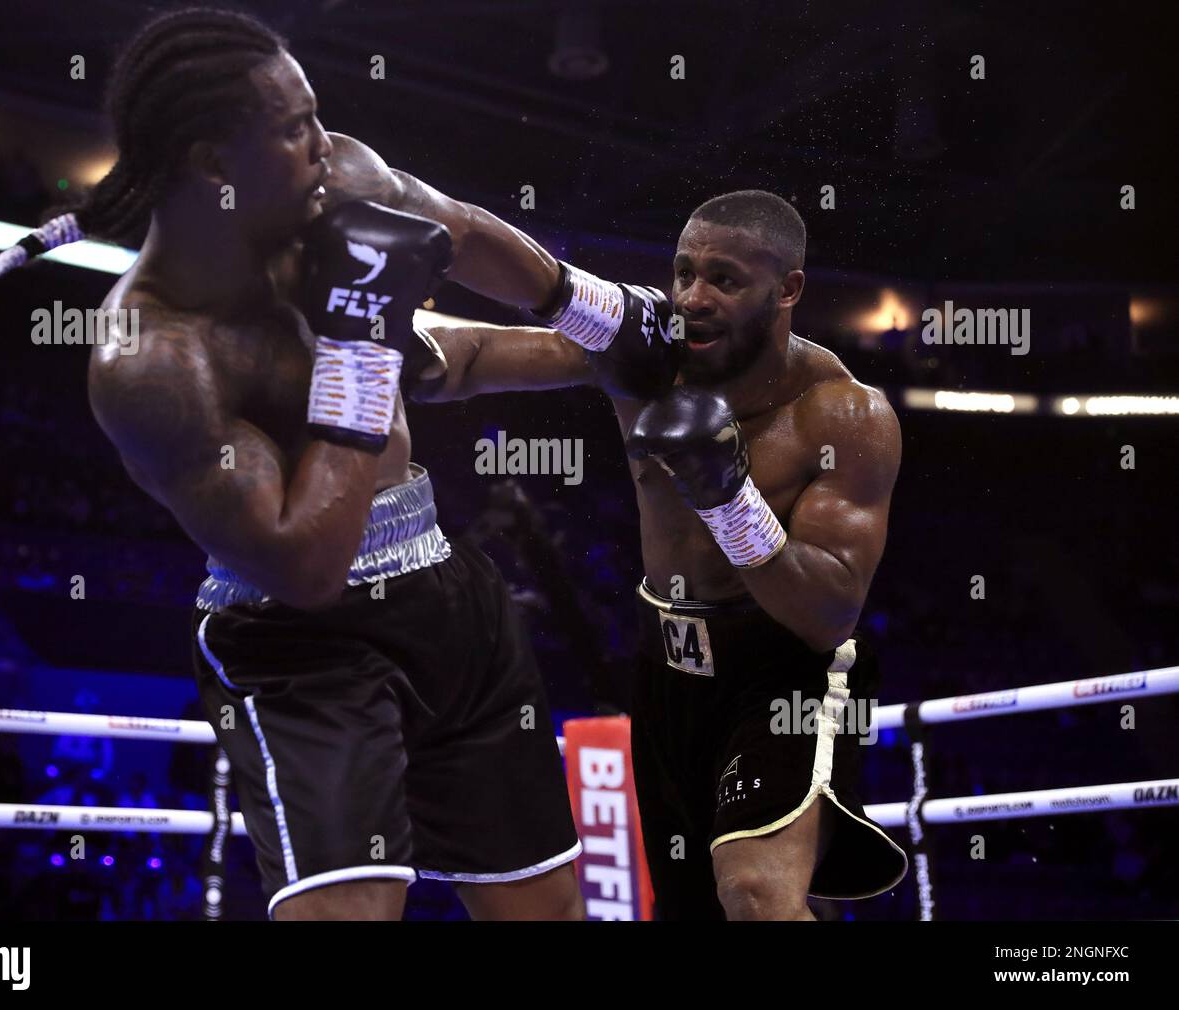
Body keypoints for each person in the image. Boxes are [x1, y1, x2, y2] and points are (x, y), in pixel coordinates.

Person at [0, 7, 582, 922]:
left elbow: (459, 243)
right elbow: (305, 566)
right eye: (293, 127)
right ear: (213, 164)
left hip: (445, 591)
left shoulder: (340, 183)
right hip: (301, 646)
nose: (325, 142)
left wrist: (606, 324)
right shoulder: (152, 357)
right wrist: (359, 341)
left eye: (315, 114)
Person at [357, 184, 911, 920]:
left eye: (724, 279)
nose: (692, 297)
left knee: (756, 892)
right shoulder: (646, 354)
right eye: (683, 272)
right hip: (667, 668)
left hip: (787, 674)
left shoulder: (844, 414)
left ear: (789, 289)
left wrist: (727, 495)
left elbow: (827, 613)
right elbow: (470, 357)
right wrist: (363, 342)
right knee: (702, 908)